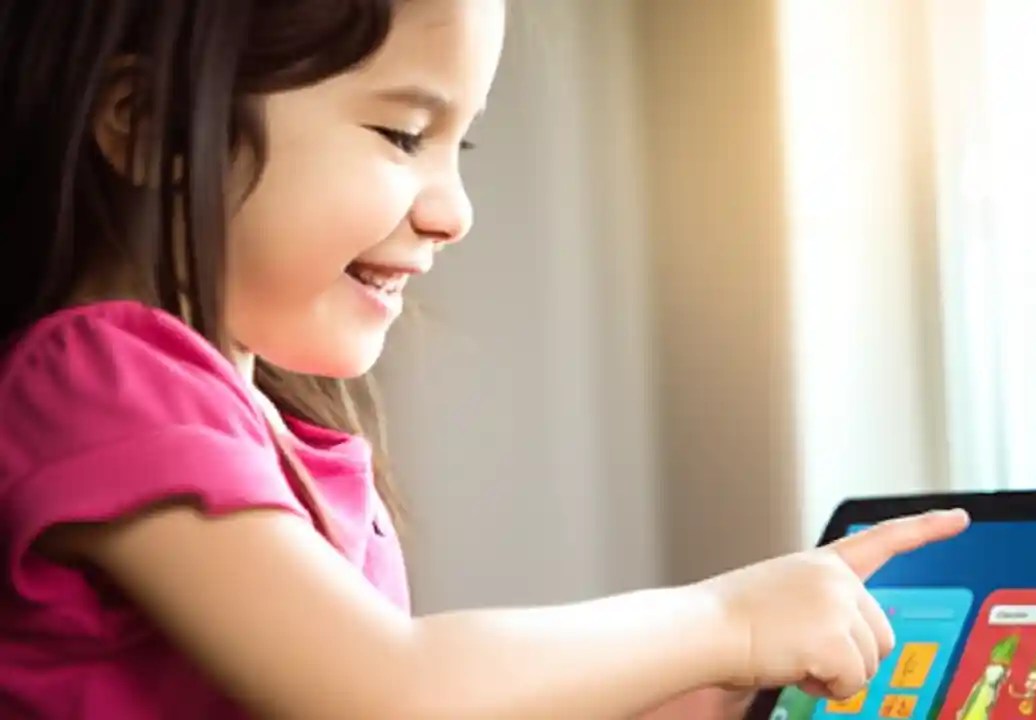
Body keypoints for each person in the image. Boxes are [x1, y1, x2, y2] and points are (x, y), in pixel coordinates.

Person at [0, 2, 970, 718]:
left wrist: (711, 689)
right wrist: (723, 618)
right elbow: (384, 695)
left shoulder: (258, 430)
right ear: (145, 126)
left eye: (460, 144)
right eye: (402, 135)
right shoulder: (99, 377)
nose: (453, 210)